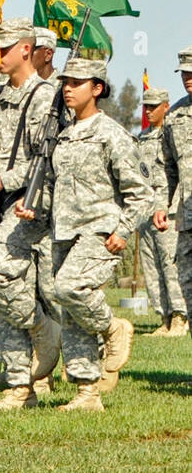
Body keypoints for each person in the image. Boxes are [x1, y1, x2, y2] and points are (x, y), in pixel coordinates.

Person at [14, 57, 152, 410]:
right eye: (66, 82)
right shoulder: (63, 136)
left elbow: (142, 193)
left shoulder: (112, 135)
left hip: (99, 232)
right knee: (72, 314)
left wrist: (123, 230)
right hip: (64, 231)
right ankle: (87, 393)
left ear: (98, 88)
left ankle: (112, 329)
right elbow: (56, 187)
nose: (68, 88)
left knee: (68, 288)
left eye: (77, 82)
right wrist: (33, 207)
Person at [0, 19, 62, 410]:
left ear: (26, 48)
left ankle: (43, 327)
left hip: (31, 206)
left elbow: (45, 158)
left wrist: (4, 180)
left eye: (3, 49)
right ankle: (20, 387)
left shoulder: (45, 96)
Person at [136, 86, 188, 337]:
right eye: (145, 105)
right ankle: (165, 315)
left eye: (153, 106)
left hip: (172, 210)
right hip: (147, 209)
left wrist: (169, 206)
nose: (148, 110)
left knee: (171, 264)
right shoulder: (142, 137)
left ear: (165, 106)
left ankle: (180, 316)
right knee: (152, 266)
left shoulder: (173, 130)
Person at [156, 46, 192, 338]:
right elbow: (167, 168)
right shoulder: (175, 115)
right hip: (187, 220)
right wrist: (160, 204)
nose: (188, 78)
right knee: (188, 289)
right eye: (184, 73)